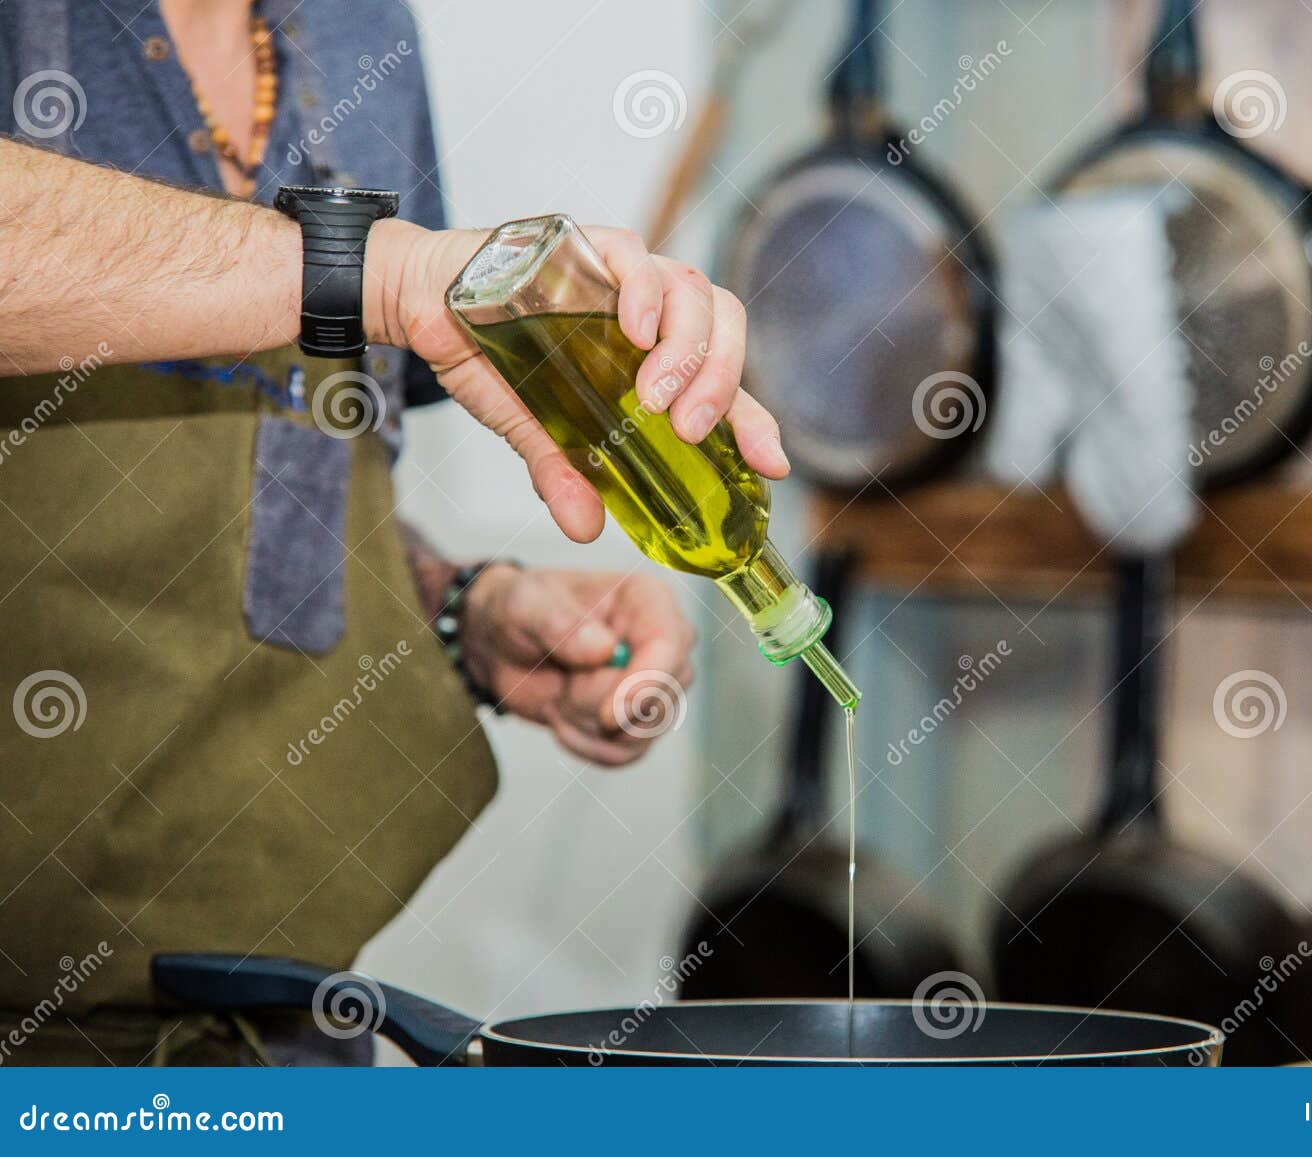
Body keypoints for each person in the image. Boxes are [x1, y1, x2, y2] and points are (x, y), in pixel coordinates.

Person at [0, 0, 785, 1065]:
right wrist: (375, 270)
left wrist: (464, 608)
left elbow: (289, 489)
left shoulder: (362, 35)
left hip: (274, 1027)